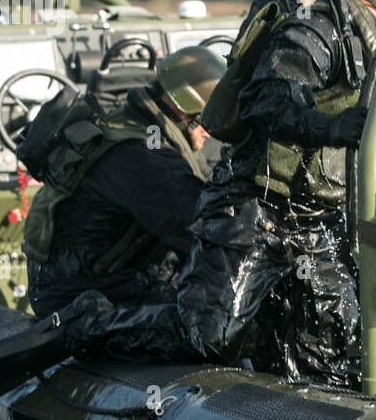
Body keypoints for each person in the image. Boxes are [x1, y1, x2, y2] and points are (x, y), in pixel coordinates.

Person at [71, 0, 376, 385]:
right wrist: (331, 126)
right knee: (209, 335)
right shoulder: (314, 34)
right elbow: (267, 101)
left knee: (325, 353)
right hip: (254, 211)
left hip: (316, 223)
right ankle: (87, 326)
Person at [22, 46, 226, 316]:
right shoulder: (147, 160)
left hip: (72, 285)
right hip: (80, 302)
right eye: (206, 121)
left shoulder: (130, 123)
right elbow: (206, 235)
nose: (210, 134)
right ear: (183, 111)